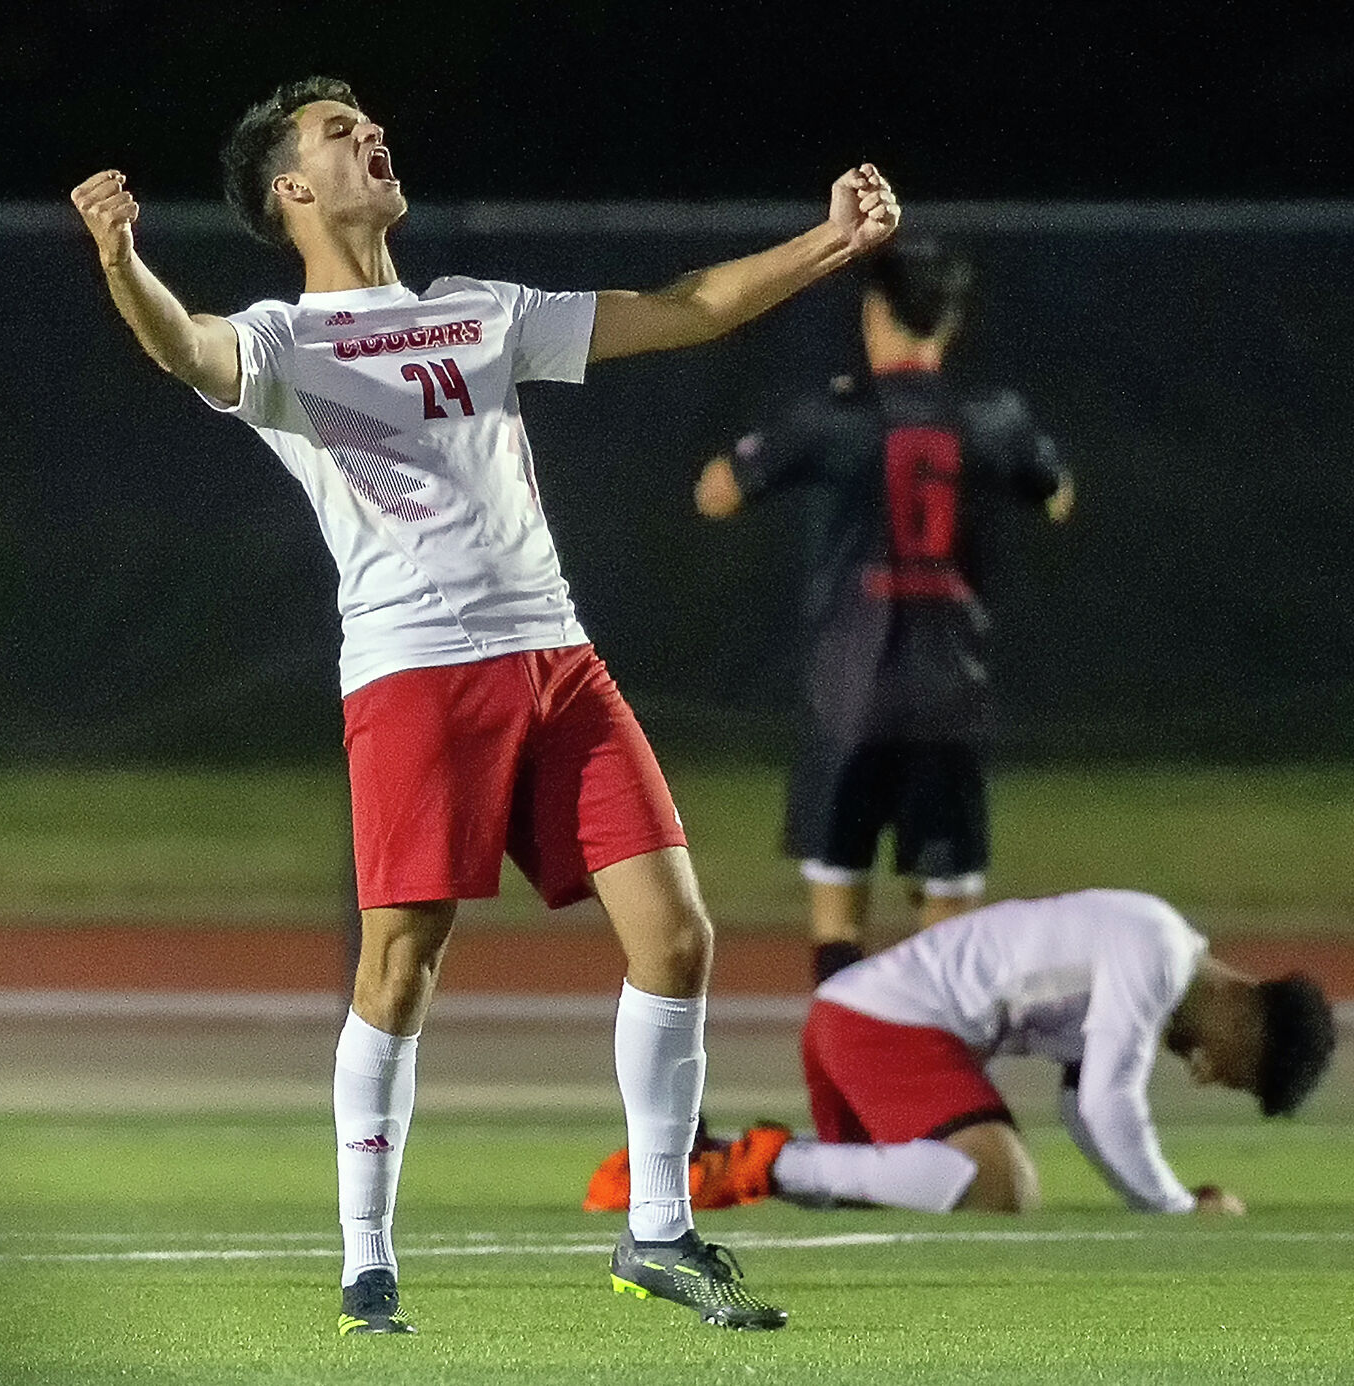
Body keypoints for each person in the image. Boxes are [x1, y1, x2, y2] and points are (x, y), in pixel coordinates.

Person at [68, 75, 899, 1336]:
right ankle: (366, 1263)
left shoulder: (476, 311)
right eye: (337, 133)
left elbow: (686, 307)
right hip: (413, 674)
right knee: (400, 967)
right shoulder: (284, 343)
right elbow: (186, 345)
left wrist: (828, 242)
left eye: (365, 120)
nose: (369, 135)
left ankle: (659, 1233)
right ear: (292, 191)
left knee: (677, 938)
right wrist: (122, 259)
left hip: (556, 660)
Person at [693, 241, 1074, 986]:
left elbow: (716, 493)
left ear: (874, 312)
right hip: (951, 694)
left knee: (839, 916)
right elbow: (1056, 496)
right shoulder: (992, 420)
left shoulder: (831, 417)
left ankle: (845, 1049)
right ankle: (941, 1053)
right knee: (950, 925)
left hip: (851, 694)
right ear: (951, 323)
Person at [682, 889, 1334, 1216]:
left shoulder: (1152, 952)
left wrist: (1156, 1204)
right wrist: (1177, 1210)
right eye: (1232, 1070)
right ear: (1250, 1009)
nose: (1204, 1075)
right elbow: (1109, 1102)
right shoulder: (1158, 952)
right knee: (999, 1181)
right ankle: (766, 1161)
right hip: (881, 1023)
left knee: (898, 1189)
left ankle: (709, 1159)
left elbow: (1084, 1109)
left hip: (862, 1019)